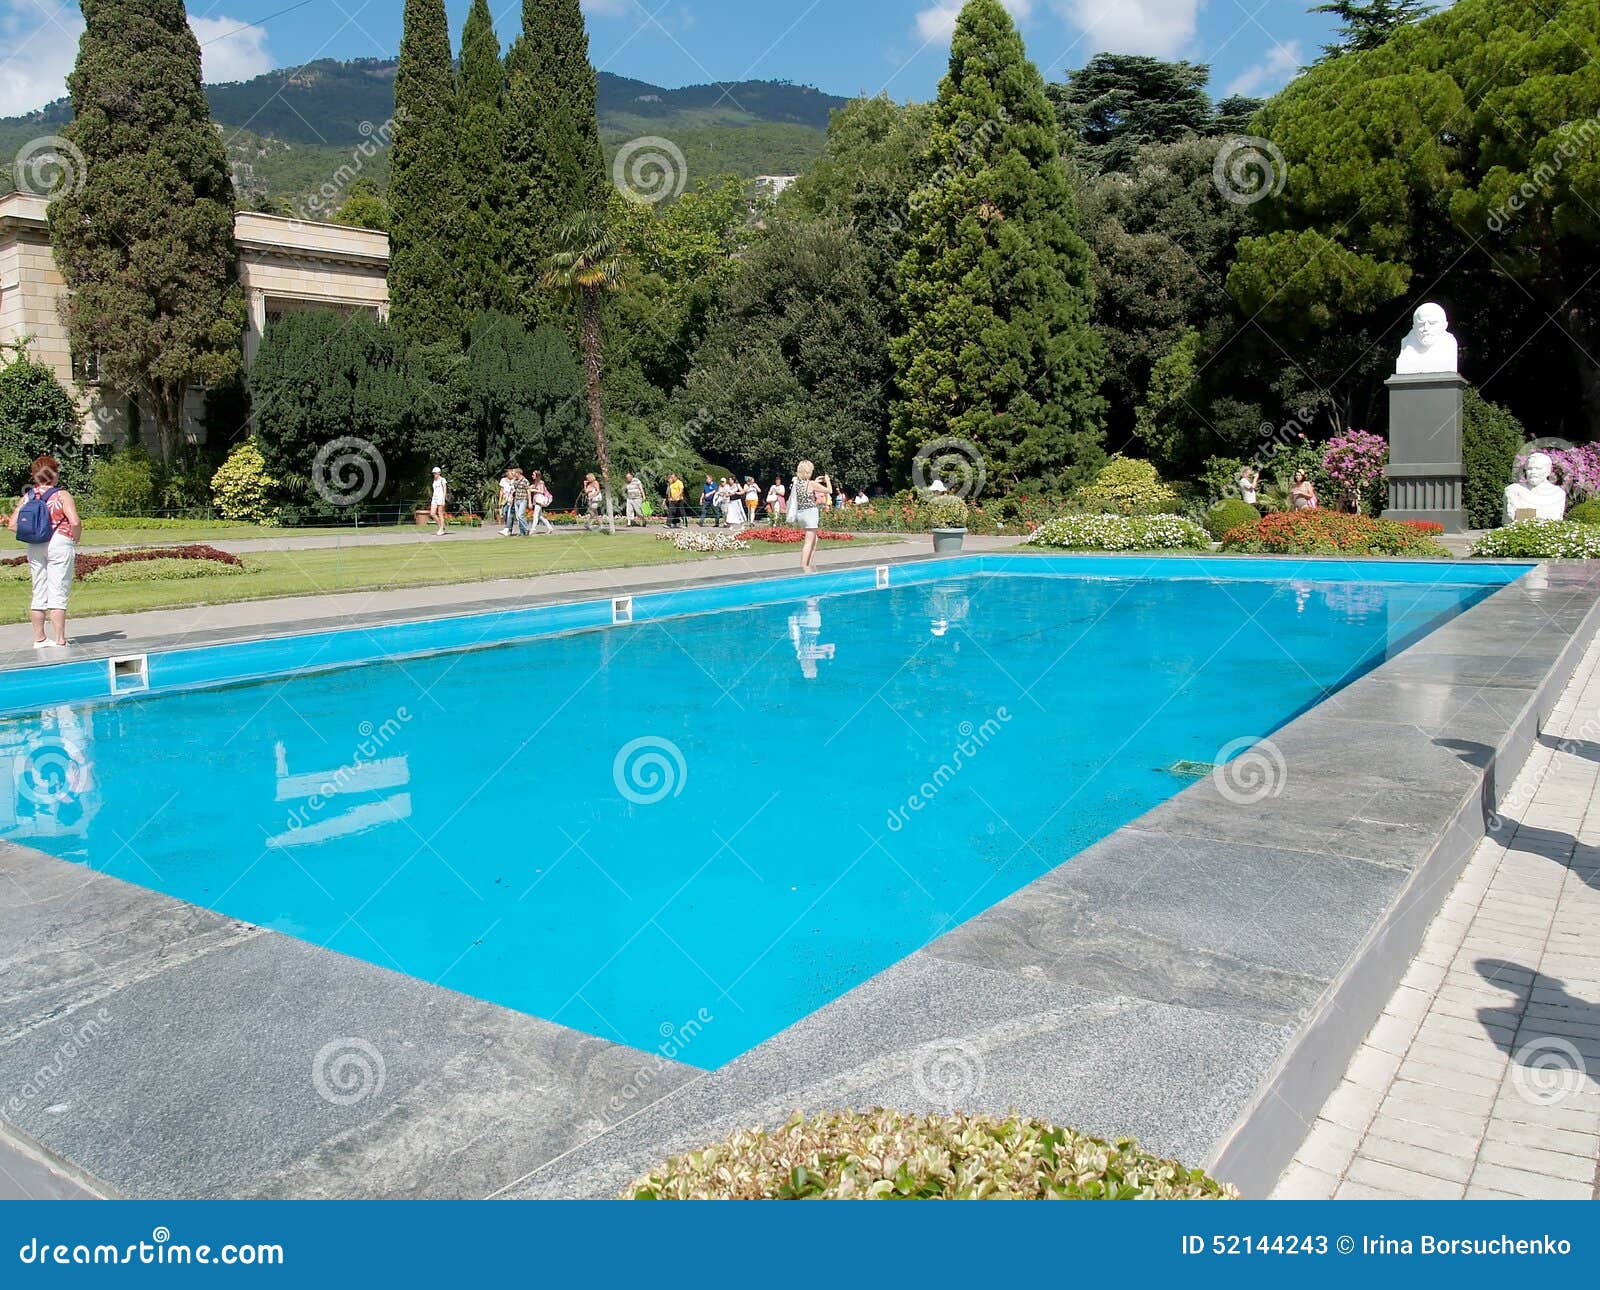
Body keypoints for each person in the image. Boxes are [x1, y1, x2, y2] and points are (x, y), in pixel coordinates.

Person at [9, 456, 82, 649]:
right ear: (53, 474)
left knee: (38, 590)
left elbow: (12, 525)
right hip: (59, 543)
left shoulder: (28, 496)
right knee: (58, 591)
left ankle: (39, 638)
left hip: (35, 545)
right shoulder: (62, 495)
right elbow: (74, 521)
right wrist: (75, 537)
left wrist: (33, 533)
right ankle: (60, 639)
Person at [786, 459, 831, 574]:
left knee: (814, 540)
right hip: (810, 514)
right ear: (808, 471)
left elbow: (807, 489)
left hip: (801, 514)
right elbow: (829, 490)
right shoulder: (810, 484)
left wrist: (815, 481)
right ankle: (803, 568)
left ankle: (808, 565)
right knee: (808, 542)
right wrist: (828, 480)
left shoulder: (797, 484)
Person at [528, 470, 555, 534]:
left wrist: (533, 490)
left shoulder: (541, 482)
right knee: (540, 516)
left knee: (535, 515)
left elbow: (542, 491)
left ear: (537, 476)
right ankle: (550, 528)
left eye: (533, 475)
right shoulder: (535, 483)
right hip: (538, 499)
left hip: (542, 499)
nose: (532, 476)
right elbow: (529, 488)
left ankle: (532, 529)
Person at [428, 466, 448, 536]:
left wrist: (443, 499)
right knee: (432, 513)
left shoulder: (442, 480)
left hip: (440, 498)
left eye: (436, 473)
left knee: (440, 513)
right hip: (434, 498)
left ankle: (441, 529)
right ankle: (441, 526)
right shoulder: (434, 480)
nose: (434, 474)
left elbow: (445, 490)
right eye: (434, 473)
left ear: (439, 473)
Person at [511, 468, 531, 536]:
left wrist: (530, 502)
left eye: (514, 473)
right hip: (516, 500)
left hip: (523, 500)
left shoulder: (525, 481)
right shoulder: (515, 481)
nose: (513, 474)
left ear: (518, 473)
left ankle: (527, 528)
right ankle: (522, 532)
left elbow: (528, 491)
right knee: (518, 517)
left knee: (520, 515)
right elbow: (514, 490)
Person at [497, 469, 515, 535]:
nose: (512, 474)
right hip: (505, 499)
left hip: (511, 498)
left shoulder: (514, 480)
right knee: (504, 513)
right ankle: (507, 527)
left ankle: (509, 530)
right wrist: (500, 501)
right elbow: (501, 491)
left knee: (510, 514)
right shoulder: (503, 480)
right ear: (507, 474)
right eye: (510, 473)